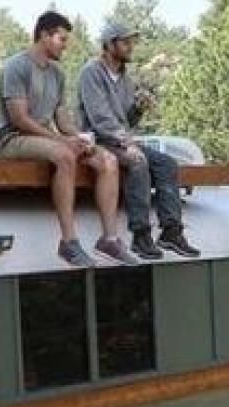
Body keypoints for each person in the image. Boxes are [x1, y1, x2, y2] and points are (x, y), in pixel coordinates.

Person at [0, 11, 138, 267]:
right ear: (44, 36)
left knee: (107, 160)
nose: (65, 45)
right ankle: (69, 242)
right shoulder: (17, 66)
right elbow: (20, 119)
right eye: (61, 39)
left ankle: (110, 239)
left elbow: (62, 120)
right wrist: (62, 142)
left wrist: (79, 138)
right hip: (13, 138)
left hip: (44, 138)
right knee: (65, 155)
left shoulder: (57, 75)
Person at [77, 23, 200, 260]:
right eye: (125, 42)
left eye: (132, 42)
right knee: (138, 160)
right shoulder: (91, 72)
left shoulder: (124, 78)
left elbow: (126, 120)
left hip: (120, 140)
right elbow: (100, 119)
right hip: (97, 142)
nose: (131, 47)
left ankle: (171, 231)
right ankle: (140, 235)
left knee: (167, 164)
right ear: (110, 44)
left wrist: (138, 108)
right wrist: (127, 142)